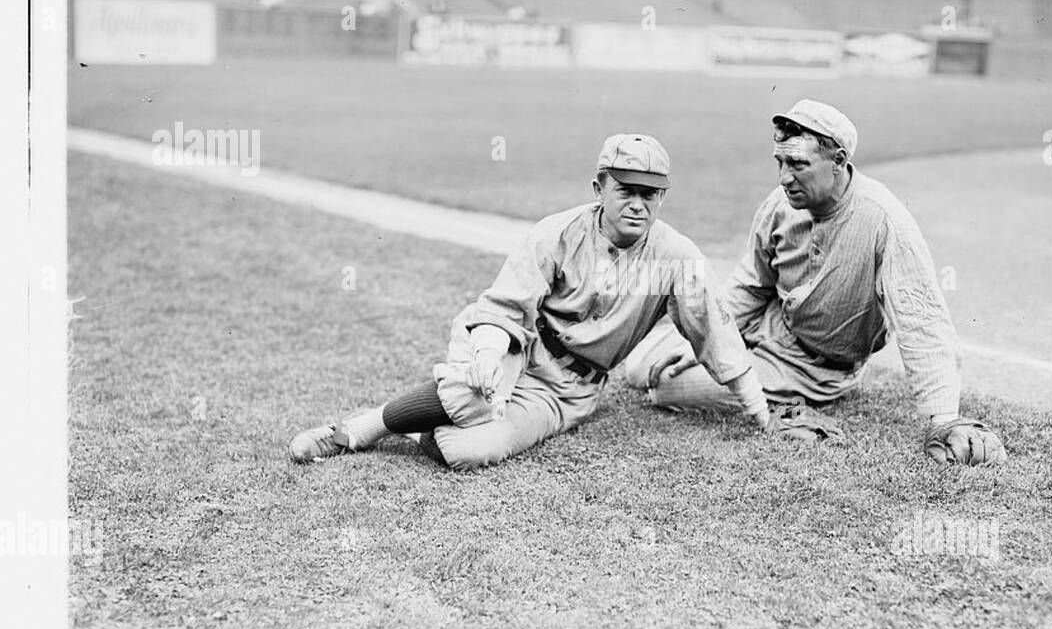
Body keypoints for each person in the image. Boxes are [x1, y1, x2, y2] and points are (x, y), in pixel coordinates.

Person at [288, 133, 769, 471]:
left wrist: (754, 405)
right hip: (522, 346)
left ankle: (421, 424)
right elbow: (503, 309)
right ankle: (358, 430)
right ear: (598, 188)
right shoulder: (557, 233)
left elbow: (713, 331)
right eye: (625, 191)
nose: (638, 205)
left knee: (466, 451)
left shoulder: (675, 255)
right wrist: (488, 356)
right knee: (469, 394)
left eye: (650, 194)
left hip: (569, 390)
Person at [624, 100, 1006, 465]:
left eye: (798, 165)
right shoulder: (779, 204)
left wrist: (942, 419)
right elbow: (748, 286)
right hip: (767, 329)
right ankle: (746, 375)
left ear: (838, 161)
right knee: (640, 368)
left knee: (667, 387)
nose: (784, 177)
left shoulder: (882, 219)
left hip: (817, 366)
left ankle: (792, 400)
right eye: (780, 162)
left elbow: (922, 321)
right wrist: (709, 342)